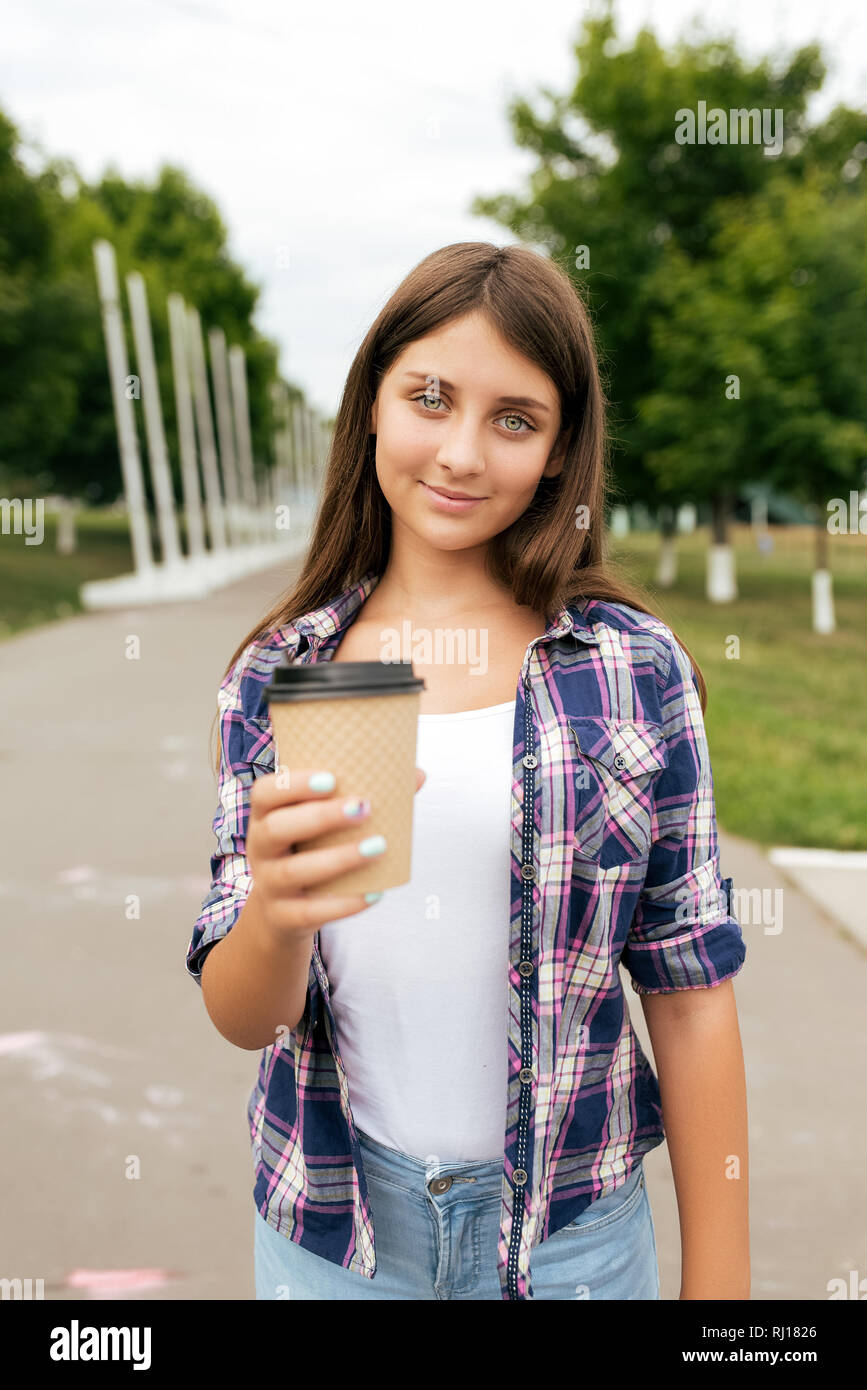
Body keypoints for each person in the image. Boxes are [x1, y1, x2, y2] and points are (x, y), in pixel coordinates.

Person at [185, 242, 749, 1301]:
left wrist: (721, 1299)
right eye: (430, 398)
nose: (460, 453)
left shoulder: (631, 669)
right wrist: (277, 914)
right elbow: (246, 1017)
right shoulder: (280, 673)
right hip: (334, 1240)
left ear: (559, 450)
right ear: (372, 403)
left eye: (514, 419)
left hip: (574, 1242)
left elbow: (689, 992)